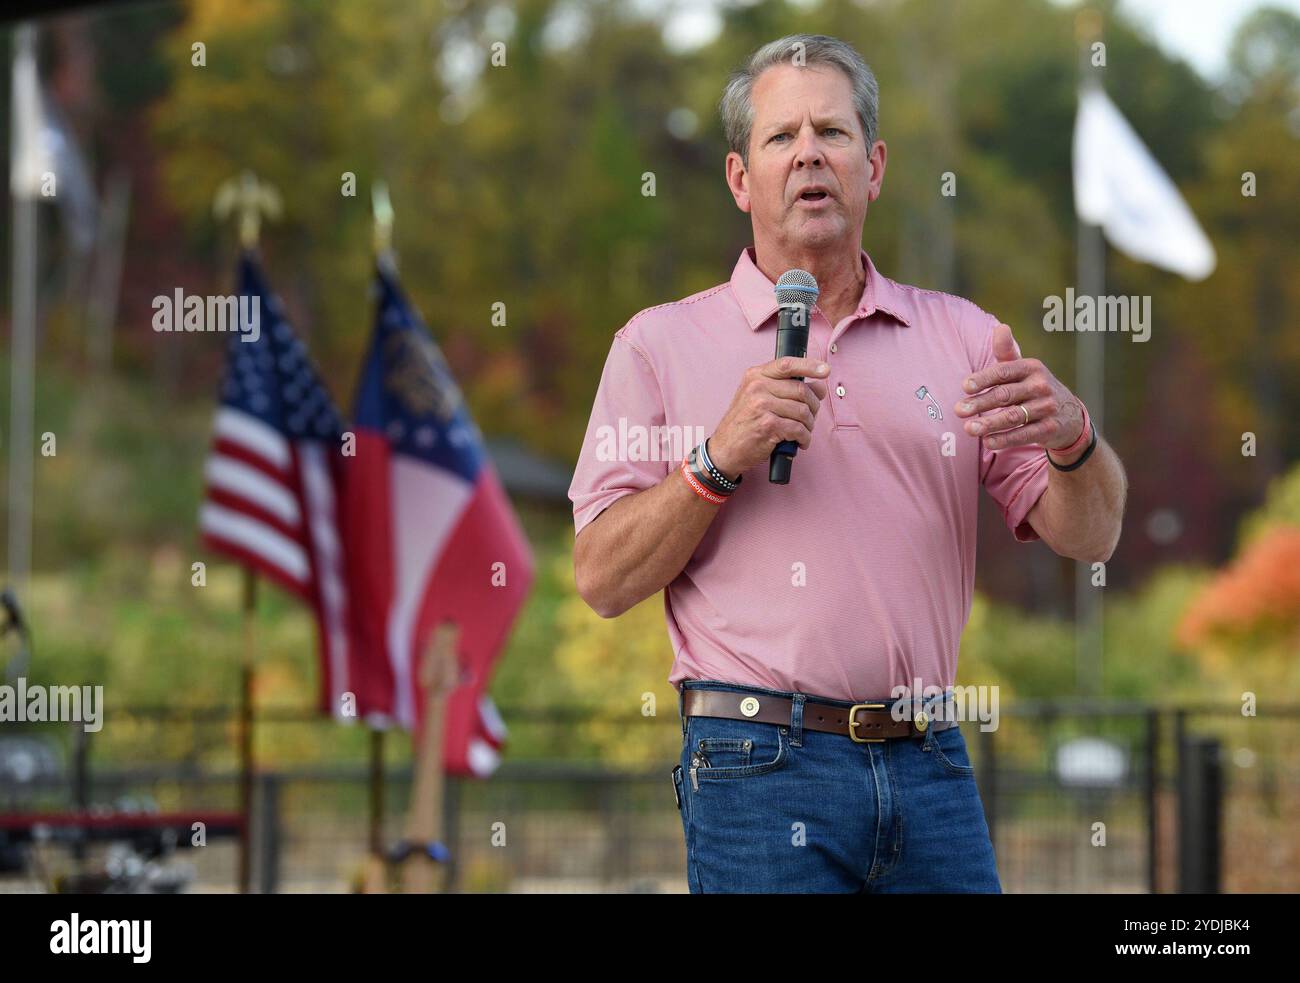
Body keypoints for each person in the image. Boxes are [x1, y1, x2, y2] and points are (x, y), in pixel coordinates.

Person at [568, 33, 1127, 893]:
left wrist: (1073, 437)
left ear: (873, 166)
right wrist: (715, 460)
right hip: (754, 766)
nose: (807, 156)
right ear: (738, 177)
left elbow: (1091, 534)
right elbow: (602, 577)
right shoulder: (657, 345)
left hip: (930, 760)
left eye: (830, 133)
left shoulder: (965, 338)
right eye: (780, 137)